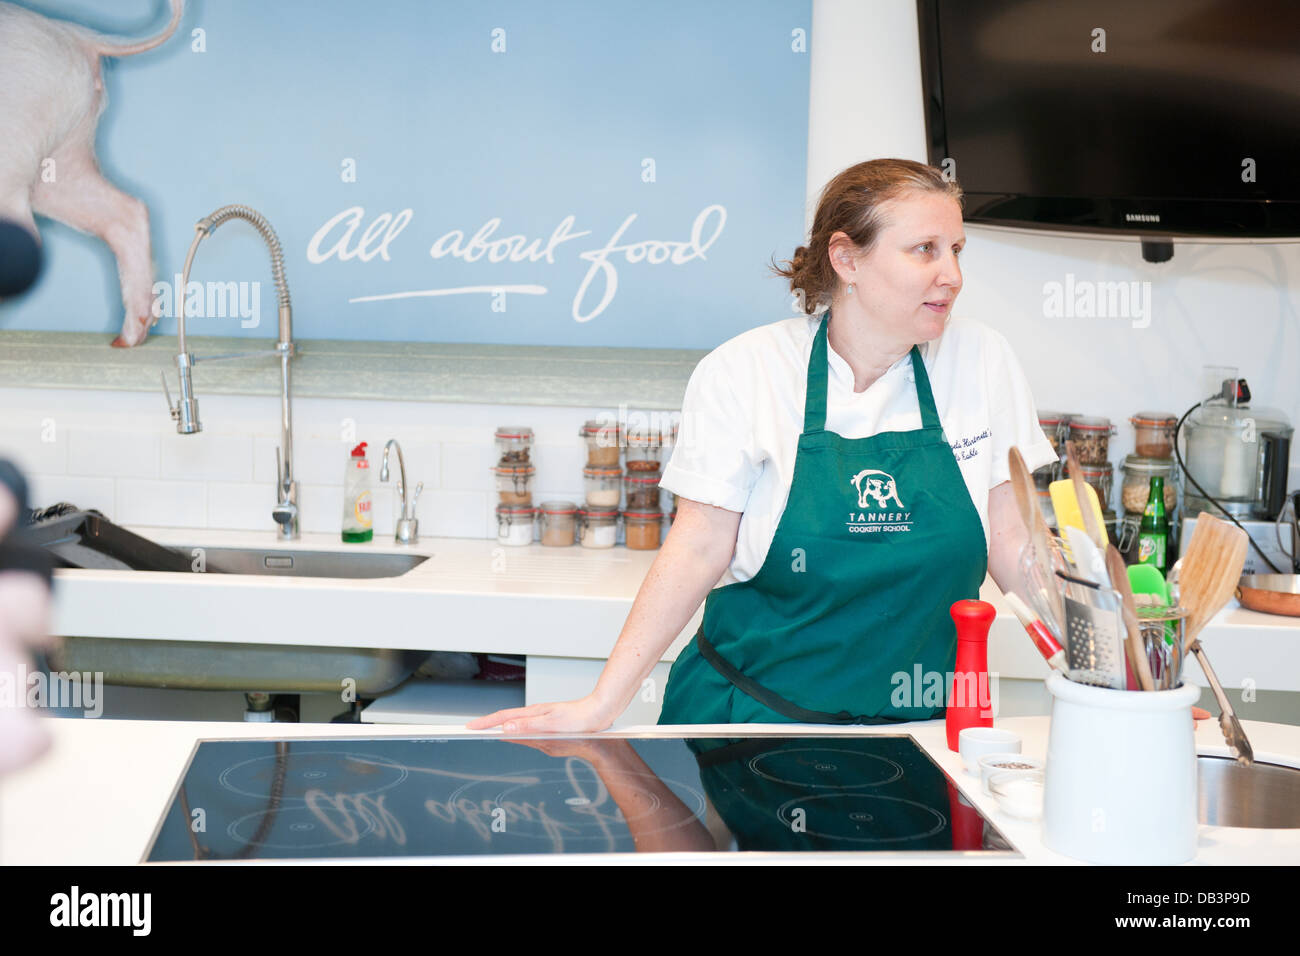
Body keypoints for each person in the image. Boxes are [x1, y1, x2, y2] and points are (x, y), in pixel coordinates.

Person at [469, 158, 1057, 733]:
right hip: (754, 720)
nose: (951, 274)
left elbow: (1009, 542)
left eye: (956, 250)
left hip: (923, 730)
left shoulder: (981, 360)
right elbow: (698, 547)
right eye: (924, 249)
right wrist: (603, 702)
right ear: (847, 257)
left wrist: (1097, 664)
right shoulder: (746, 370)